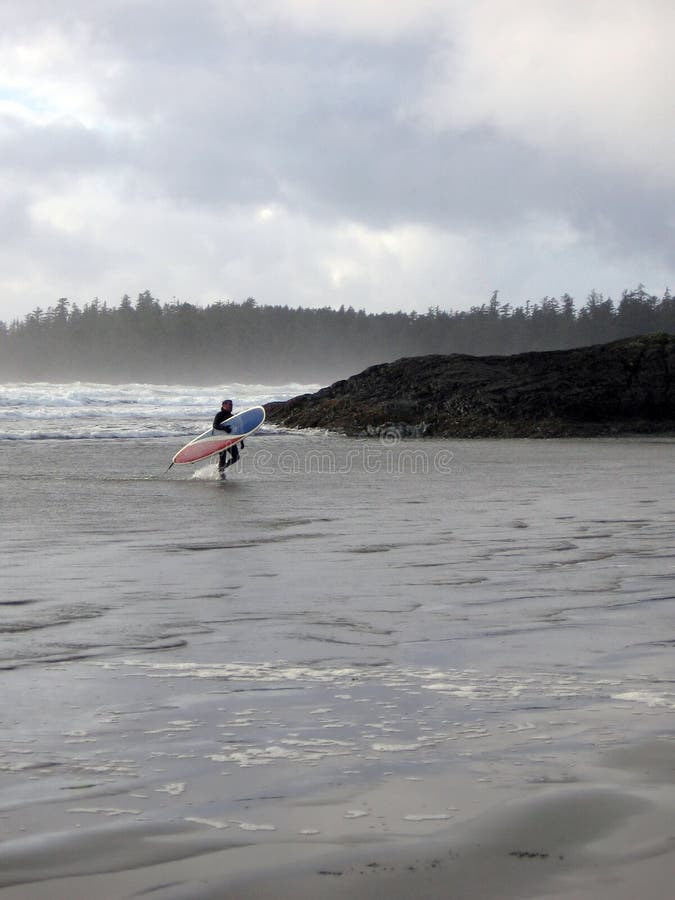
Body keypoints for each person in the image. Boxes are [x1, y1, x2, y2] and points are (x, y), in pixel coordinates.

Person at [213, 399, 243, 479]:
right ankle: (221, 475)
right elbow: (215, 425)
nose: (231, 406)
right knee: (222, 458)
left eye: (232, 405)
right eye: (229, 405)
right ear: (224, 405)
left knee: (236, 457)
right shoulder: (219, 415)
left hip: (230, 440)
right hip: (220, 440)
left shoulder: (232, 417)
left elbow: (236, 430)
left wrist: (241, 441)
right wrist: (224, 428)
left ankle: (223, 468)